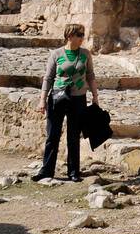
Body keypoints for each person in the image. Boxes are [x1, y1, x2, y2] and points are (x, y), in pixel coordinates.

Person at [33, 23, 98, 182]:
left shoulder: (85, 54)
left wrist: (95, 96)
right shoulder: (56, 54)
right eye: (80, 35)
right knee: (52, 135)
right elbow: (48, 78)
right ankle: (46, 171)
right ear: (70, 36)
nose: (83, 38)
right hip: (57, 97)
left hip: (78, 99)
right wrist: (42, 100)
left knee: (74, 136)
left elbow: (90, 75)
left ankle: (74, 172)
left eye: (83, 35)